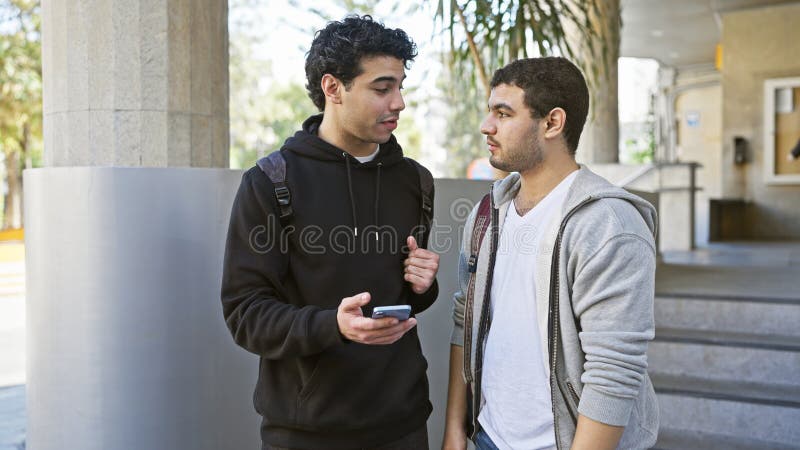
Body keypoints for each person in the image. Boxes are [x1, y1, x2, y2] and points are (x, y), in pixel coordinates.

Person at [221, 15, 440, 450]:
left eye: (400, 86)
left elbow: (405, 298)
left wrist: (423, 285)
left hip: (403, 426)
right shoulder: (271, 182)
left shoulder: (415, 181)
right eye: (382, 88)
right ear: (333, 88)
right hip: (305, 433)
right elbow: (245, 314)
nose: (398, 102)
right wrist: (332, 326)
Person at [443, 57, 659, 450]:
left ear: (552, 123)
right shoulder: (487, 213)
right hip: (488, 437)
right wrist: (455, 432)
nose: (486, 125)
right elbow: (465, 319)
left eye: (503, 113)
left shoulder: (609, 225)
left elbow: (613, 372)